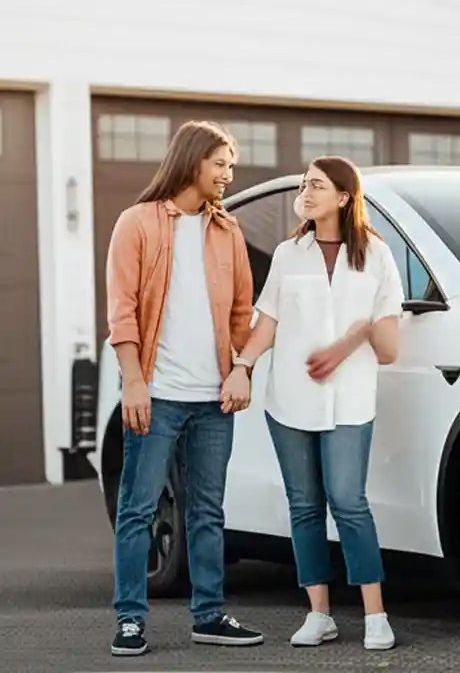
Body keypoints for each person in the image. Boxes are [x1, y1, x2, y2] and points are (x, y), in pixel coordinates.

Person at [223, 155, 403, 651]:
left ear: (344, 196)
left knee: (349, 502)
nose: (306, 190)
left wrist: (354, 337)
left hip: (349, 403)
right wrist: (243, 366)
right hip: (290, 401)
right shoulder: (288, 253)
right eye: (305, 183)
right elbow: (269, 323)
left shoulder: (377, 257)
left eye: (317, 184)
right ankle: (319, 614)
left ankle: (375, 616)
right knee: (304, 506)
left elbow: (388, 350)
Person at [104, 120, 264, 656]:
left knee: (208, 512)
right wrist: (134, 382)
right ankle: (130, 620)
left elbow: (243, 312)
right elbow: (122, 313)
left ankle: (210, 615)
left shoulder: (228, 231)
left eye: (231, 164)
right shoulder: (138, 224)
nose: (228, 174)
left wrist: (241, 369)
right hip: (159, 393)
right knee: (138, 511)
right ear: (192, 161)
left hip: (213, 400)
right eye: (220, 163)